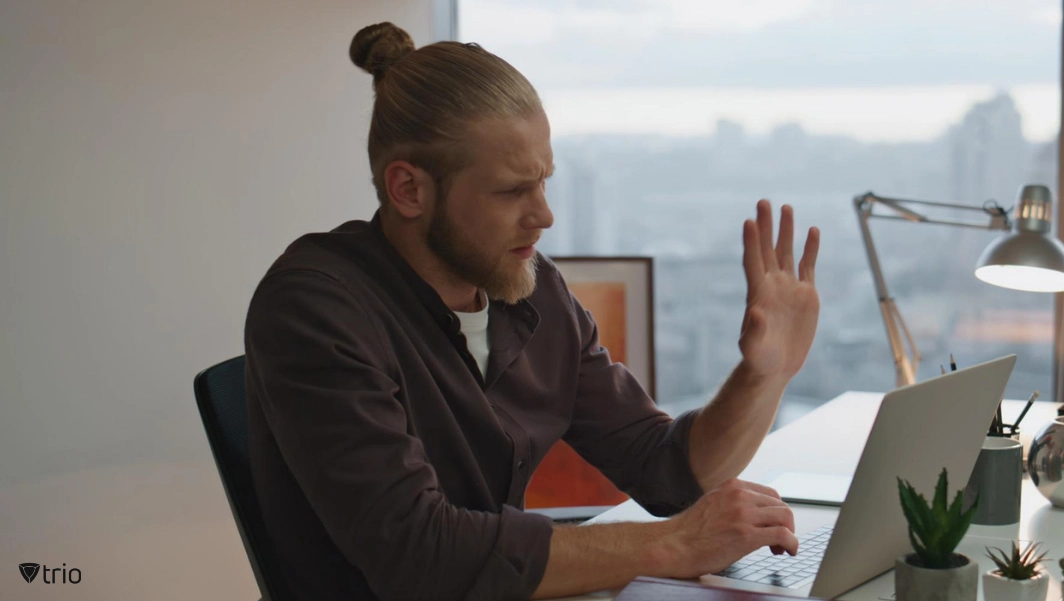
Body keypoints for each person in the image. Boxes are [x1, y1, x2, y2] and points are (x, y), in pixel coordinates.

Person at [244, 22, 821, 601]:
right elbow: (418, 555)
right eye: (511, 191)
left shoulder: (532, 288)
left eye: (543, 181)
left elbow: (665, 471)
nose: (543, 215)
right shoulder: (313, 309)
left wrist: (764, 375)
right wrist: (675, 545)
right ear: (409, 190)